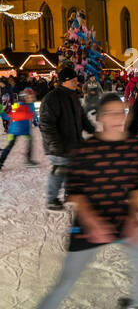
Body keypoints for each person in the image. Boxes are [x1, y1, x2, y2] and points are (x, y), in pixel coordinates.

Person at [1, 94, 138, 309]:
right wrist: (93, 222)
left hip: (121, 221)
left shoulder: (134, 147)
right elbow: (74, 194)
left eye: (119, 112)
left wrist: (131, 219)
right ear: (98, 118)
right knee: (64, 284)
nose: (115, 118)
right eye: (109, 114)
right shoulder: (86, 151)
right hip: (88, 227)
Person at [39, 63, 89, 210]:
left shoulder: (73, 96)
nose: (76, 82)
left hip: (73, 142)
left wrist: (91, 128)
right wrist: (54, 144)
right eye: (73, 80)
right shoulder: (51, 98)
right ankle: (51, 199)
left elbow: (81, 116)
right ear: (64, 81)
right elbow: (46, 124)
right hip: (58, 143)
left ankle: (71, 192)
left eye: (76, 80)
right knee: (60, 169)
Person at [0, 88, 38, 170]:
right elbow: (13, 114)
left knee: (30, 142)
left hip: (24, 129)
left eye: (32, 97)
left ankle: (28, 160)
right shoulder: (18, 104)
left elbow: (33, 114)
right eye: (28, 98)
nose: (30, 99)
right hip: (15, 130)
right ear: (23, 98)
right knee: (10, 146)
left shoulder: (30, 105)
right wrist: (27, 115)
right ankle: (1, 161)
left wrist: (35, 120)